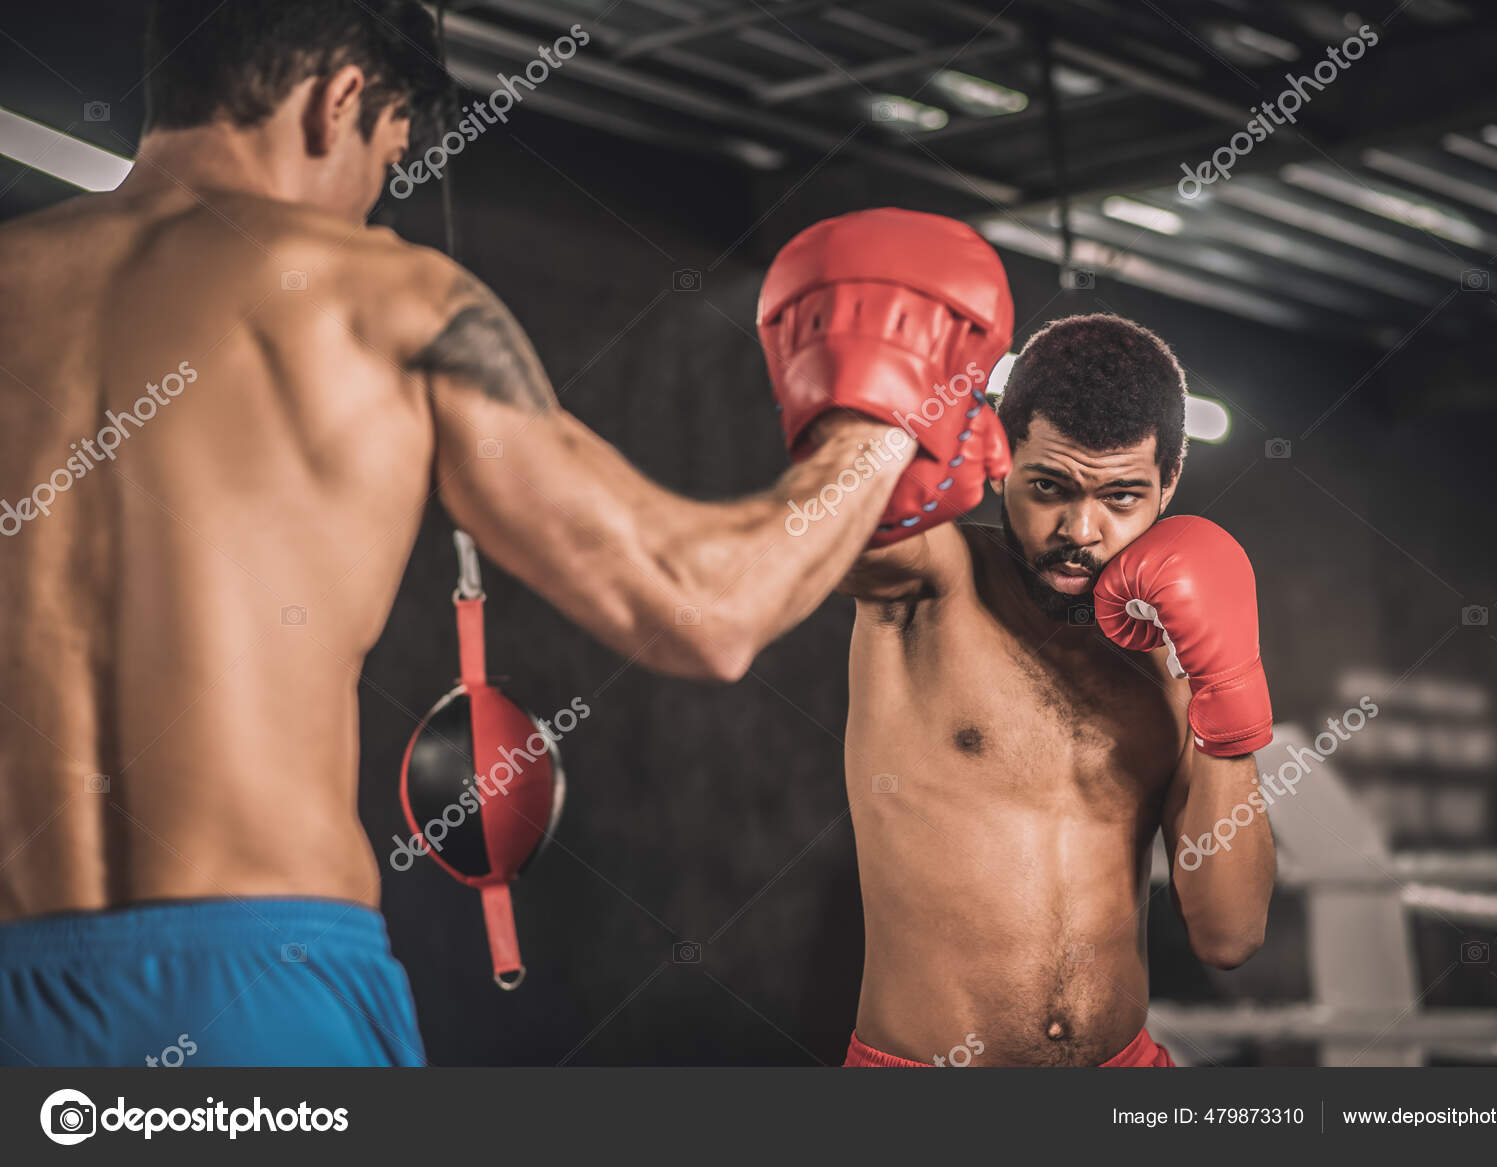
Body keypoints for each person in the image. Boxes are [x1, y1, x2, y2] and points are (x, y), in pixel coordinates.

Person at [0, 2, 1003, 1066]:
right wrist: (878, 429)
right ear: (339, 100)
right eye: (386, 157)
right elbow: (703, 609)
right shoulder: (383, 299)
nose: (372, 199)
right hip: (264, 988)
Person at [821, 313, 1277, 1067]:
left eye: (1122, 497)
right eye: (1049, 487)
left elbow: (1231, 934)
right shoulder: (934, 579)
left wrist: (1228, 694)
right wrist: (901, 440)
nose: (1081, 528)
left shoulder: (1173, 663)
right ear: (1000, 462)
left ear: (1169, 485)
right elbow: (841, 535)